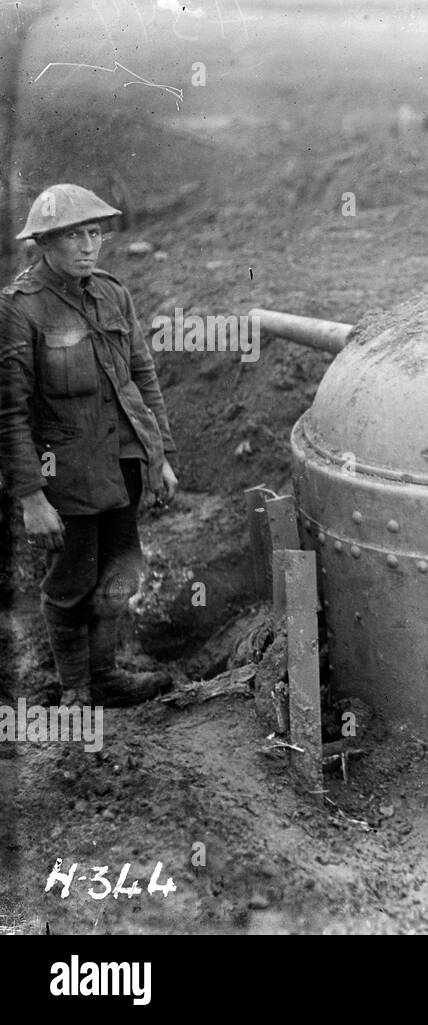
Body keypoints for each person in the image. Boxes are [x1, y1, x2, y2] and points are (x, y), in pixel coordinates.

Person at [0, 184, 179, 707]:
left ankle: (106, 674)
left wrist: (159, 455)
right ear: (43, 244)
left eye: (93, 233)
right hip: (67, 472)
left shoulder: (112, 293)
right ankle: (77, 690)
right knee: (71, 581)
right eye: (72, 236)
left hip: (123, 461)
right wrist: (32, 498)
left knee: (121, 569)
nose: (87, 246)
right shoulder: (20, 309)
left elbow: (142, 378)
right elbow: (10, 413)